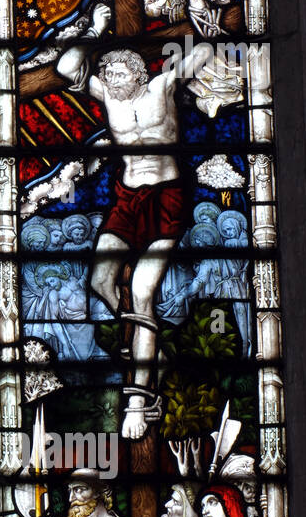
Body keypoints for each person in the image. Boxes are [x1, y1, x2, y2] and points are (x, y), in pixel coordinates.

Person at [56, 36, 220, 439]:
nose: (110, 77)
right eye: (106, 71)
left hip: (167, 197)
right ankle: (151, 345)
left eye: (118, 71)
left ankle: (138, 400)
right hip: (127, 198)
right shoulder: (107, 95)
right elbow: (66, 68)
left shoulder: (161, 87)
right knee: (99, 281)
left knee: (144, 290)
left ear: (139, 71)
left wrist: (183, 42)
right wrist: (92, 35)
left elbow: (205, 51)